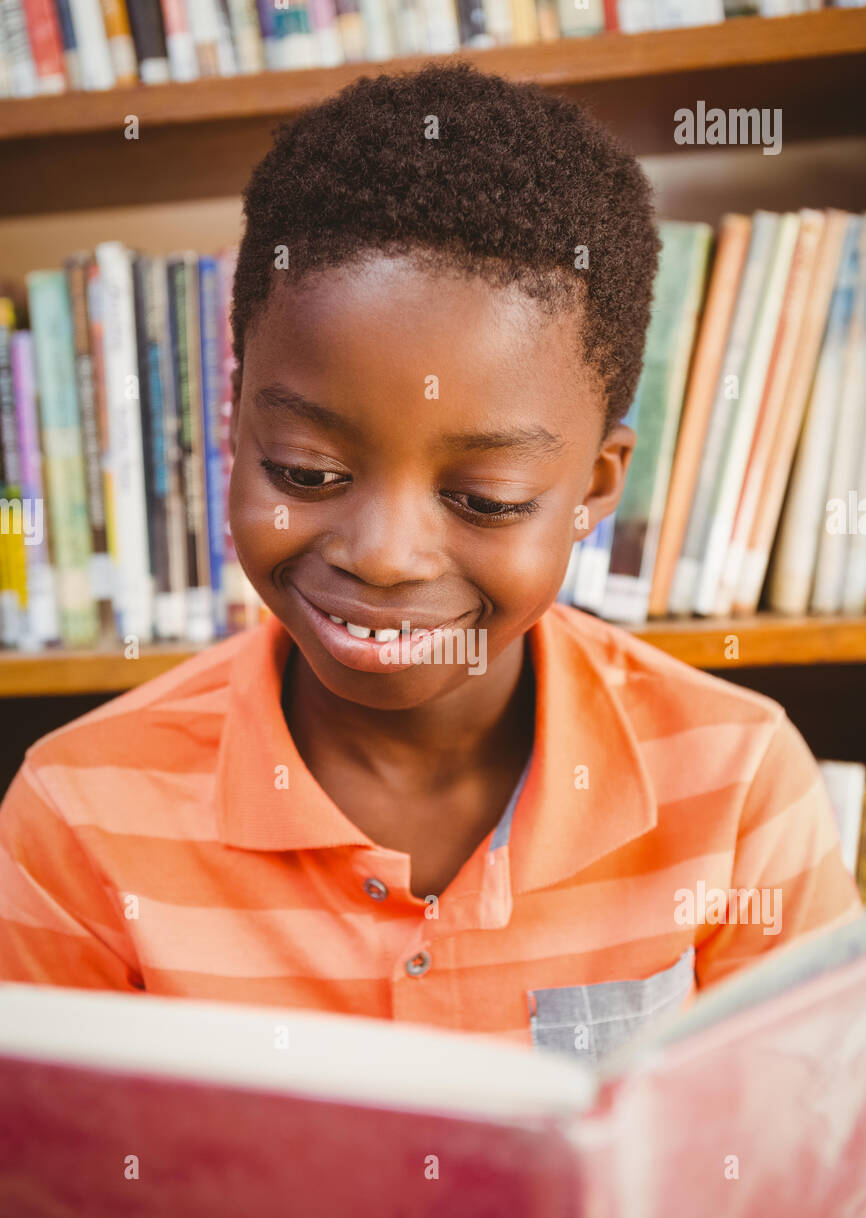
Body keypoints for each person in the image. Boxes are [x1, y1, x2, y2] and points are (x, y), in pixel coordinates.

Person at [0, 63, 859, 1061]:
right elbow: (55, 1198)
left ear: (591, 488)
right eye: (307, 471)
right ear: (233, 433)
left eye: (484, 499)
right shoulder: (81, 812)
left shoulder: (737, 782)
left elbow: (811, 1171)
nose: (384, 555)